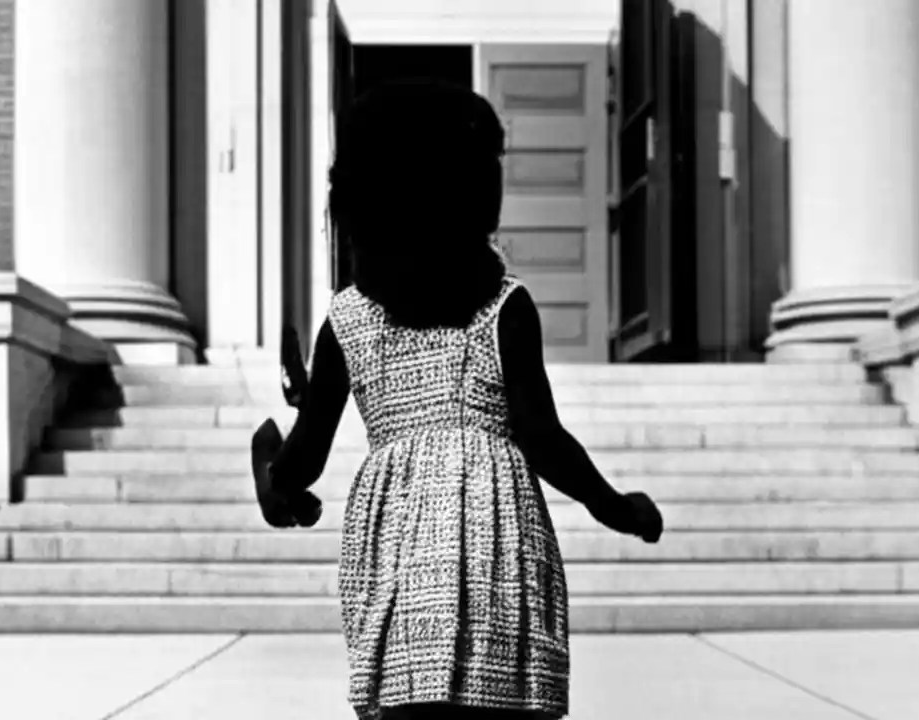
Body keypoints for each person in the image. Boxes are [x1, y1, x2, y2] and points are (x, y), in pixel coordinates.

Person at [253, 80, 665, 720]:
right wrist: (615, 505)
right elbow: (542, 437)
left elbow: (302, 463)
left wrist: (272, 472)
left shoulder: (347, 320)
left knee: (409, 705)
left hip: (396, 557)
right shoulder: (506, 308)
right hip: (499, 550)